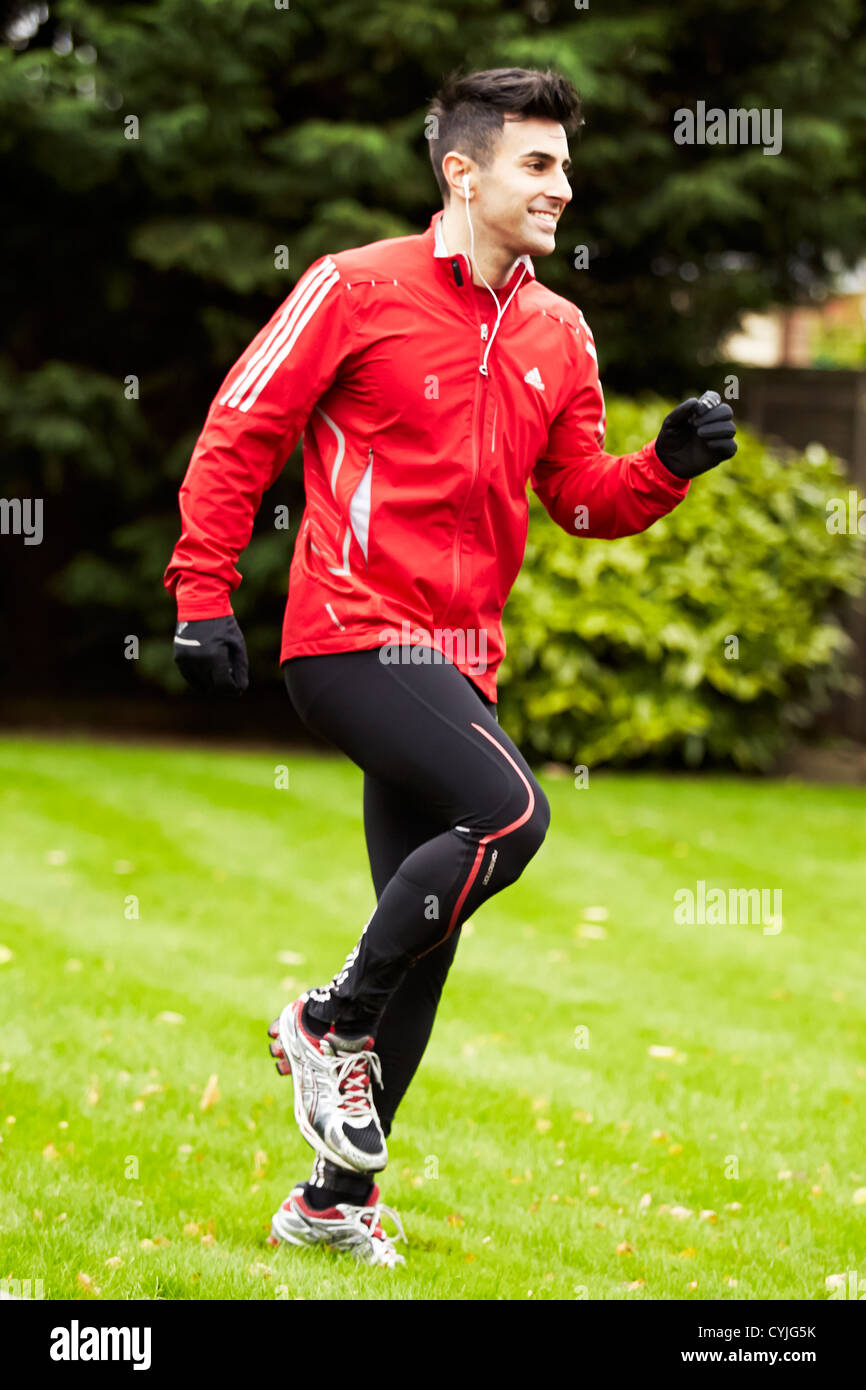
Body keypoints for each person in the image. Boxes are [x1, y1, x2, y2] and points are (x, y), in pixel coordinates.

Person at [164, 66, 737, 1268]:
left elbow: (578, 501)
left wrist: (665, 466)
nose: (561, 188)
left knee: (425, 932)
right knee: (511, 814)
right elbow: (242, 426)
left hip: (460, 660)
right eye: (537, 165)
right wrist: (202, 591)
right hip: (352, 631)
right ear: (461, 172)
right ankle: (326, 1019)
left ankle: (332, 1203)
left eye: (565, 168)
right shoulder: (354, 287)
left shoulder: (556, 332)